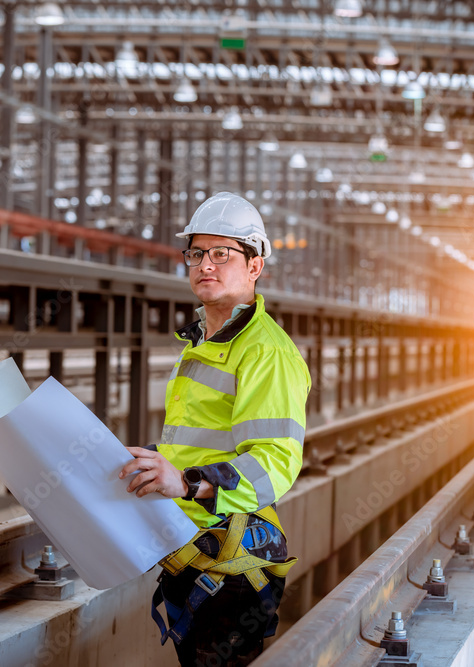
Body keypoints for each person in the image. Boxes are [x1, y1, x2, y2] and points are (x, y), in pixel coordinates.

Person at [118, 192, 311, 667]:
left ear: (255, 265)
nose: (206, 264)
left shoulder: (266, 352)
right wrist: (150, 458)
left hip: (235, 570)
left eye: (222, 253)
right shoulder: (201, 342)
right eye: (197, 253)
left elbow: (274, 463)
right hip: (196, 549)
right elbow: (197, 441)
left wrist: (186, 483)